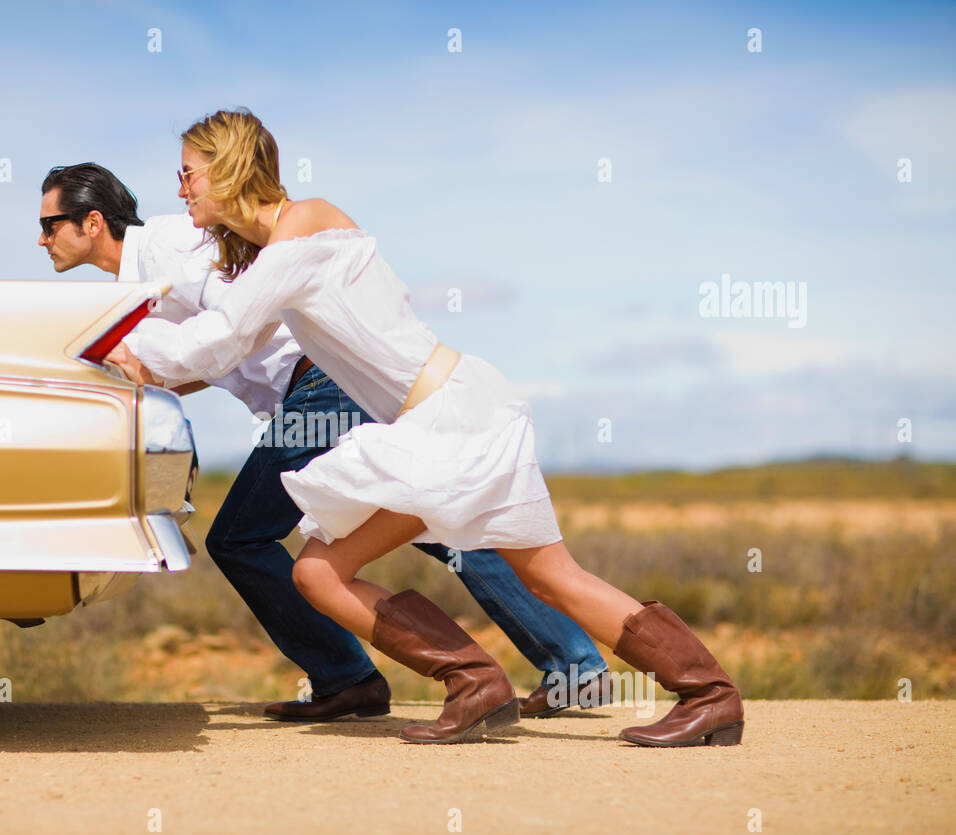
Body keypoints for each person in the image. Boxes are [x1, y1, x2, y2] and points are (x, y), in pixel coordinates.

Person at [107, 109, 745, 746]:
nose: (181, 188)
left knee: (320, 573)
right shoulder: (278, 249)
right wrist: (152, 362)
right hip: (464, 409)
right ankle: (707, 695)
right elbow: (226, 336)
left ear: (227, 167)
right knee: (552, 576)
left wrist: (134, 358)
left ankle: (477, 683)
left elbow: (223, 335)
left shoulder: (303, 227)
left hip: (449, 422)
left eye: (188, 173)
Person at [38, 162, 612, 721]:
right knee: (437, 518)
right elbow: (208, 361)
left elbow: (242, 321)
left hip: (322, 386)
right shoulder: (136, 288)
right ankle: (574, 666)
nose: (42, 240)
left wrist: (170, 359)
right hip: (326, 387)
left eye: (50, 225)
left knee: (241, 538)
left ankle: (349, 677)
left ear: (91, 223)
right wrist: (145, 381)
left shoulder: (169, 244)